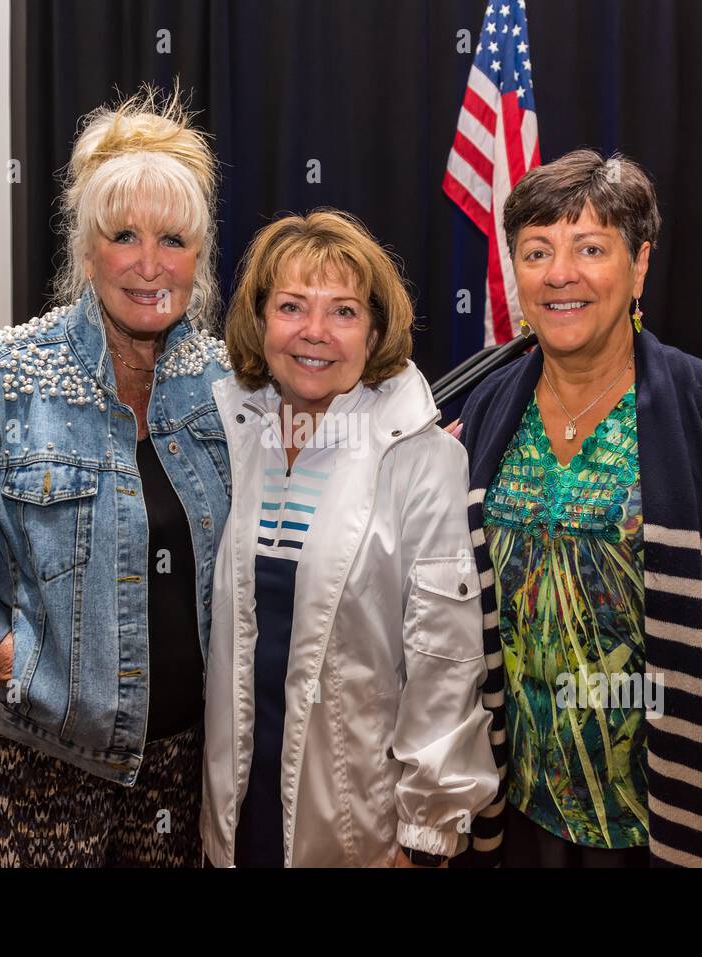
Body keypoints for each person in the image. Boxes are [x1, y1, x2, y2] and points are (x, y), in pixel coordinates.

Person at [0, 88, 233, 867]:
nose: (151, 264)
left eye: (175, 239)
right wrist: (6, 653)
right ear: (86, 248)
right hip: (31, 771)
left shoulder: (229, 388)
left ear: (200, 255)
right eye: (123, 235)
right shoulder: (4, 379)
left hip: (181, 780)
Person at [459, 149, 702, 867]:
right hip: (524, 812)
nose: (560, 273)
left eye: (590, 248)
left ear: (640, 263)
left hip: (675, 817)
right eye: (536, 251)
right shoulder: (487, 408)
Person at [200, 210, 500, 867]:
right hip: (233, 806)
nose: (314, 332)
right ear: (259, 319)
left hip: (359, 822)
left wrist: (425, 831)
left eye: (342, 311)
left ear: (374, 329)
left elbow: (444, 659)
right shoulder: (227, 435)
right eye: (291, 306)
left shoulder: (421, 458)